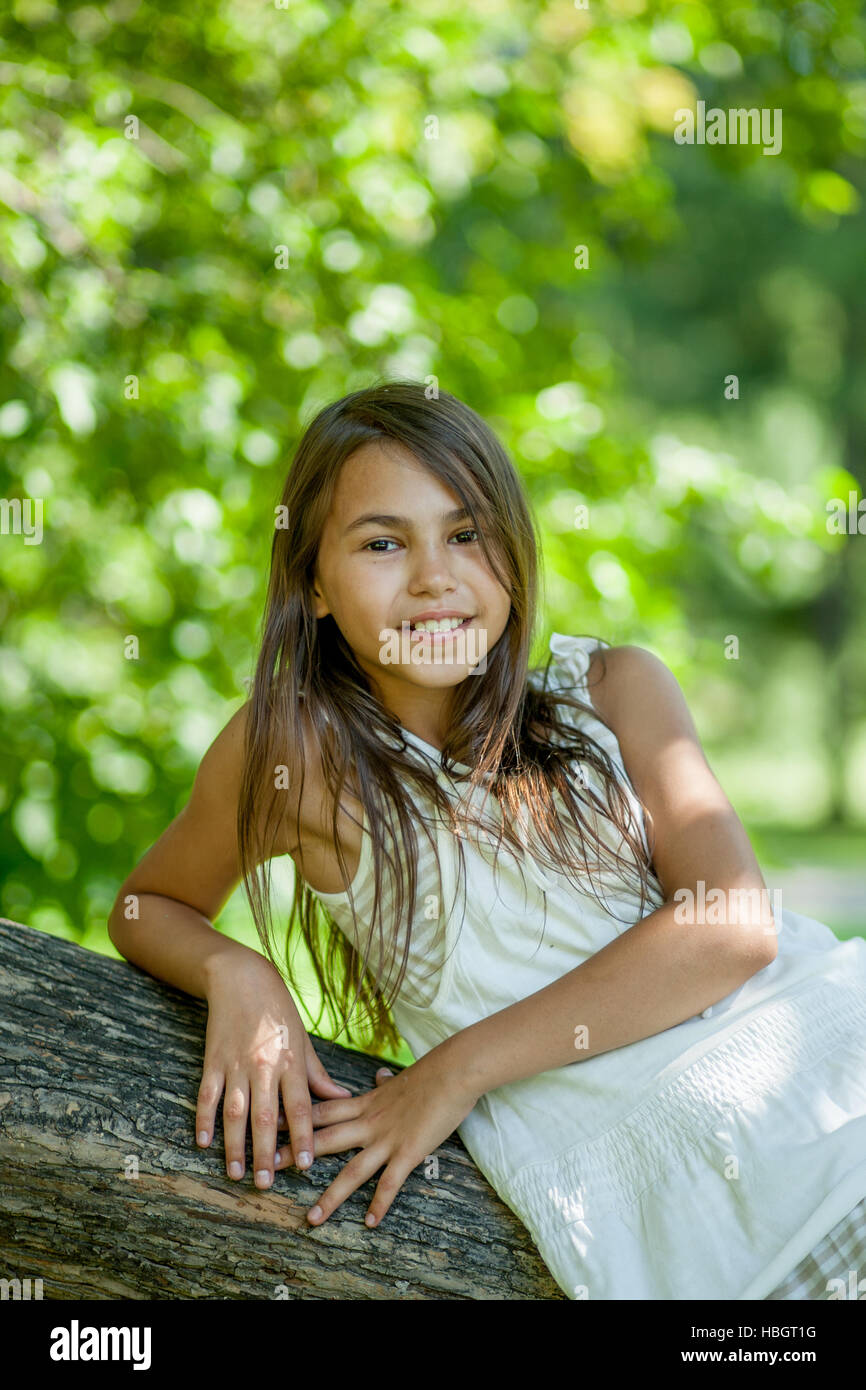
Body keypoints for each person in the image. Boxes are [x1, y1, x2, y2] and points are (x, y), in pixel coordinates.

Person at [109, 380, 866, 1301]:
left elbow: (735, 927)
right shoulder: (296, 755)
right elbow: (151, 905)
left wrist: (454, 1072)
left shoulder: (615, 690)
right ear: (312, 581)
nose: (434, 575)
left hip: (832, 1100)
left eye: (466, 535)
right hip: (675, 1219)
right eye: (383, 543)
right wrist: (241, 974)